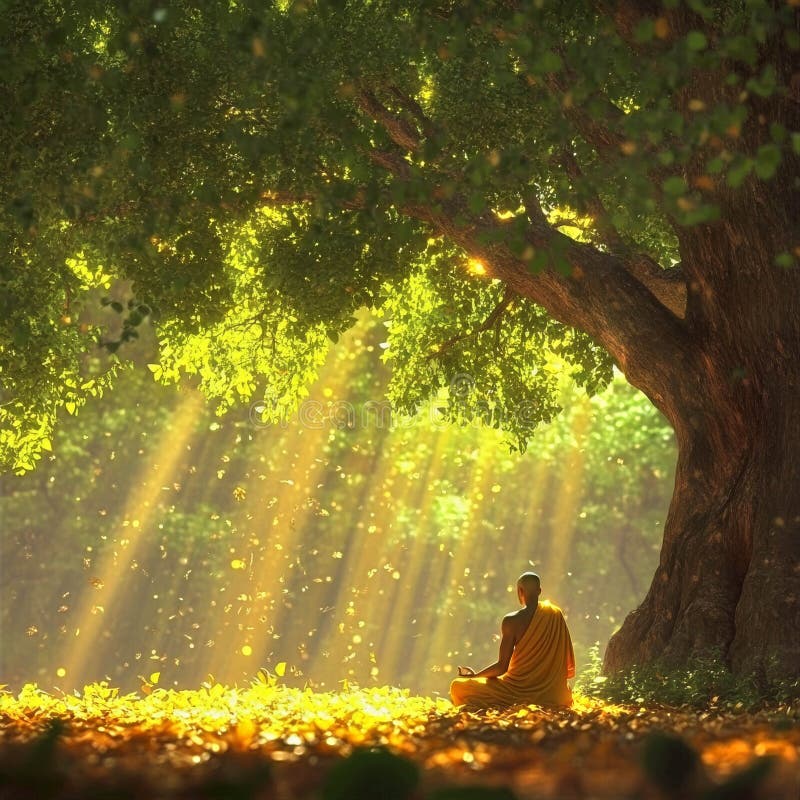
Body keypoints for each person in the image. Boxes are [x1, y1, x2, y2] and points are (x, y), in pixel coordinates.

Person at [449, 572, 575, 709]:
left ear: (520, 591)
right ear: (539, 591)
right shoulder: (556, 614)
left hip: (516, 691)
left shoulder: (512, 621)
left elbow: (502, 667)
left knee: (457, 686)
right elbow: (566, 660)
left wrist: (474, 677)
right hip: (556, 696)